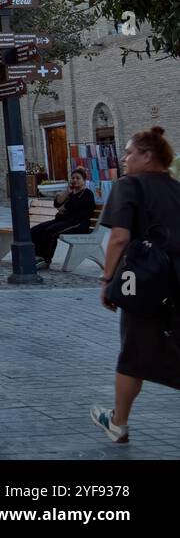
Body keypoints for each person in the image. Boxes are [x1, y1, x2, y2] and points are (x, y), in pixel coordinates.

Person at [91, 127, 180, 443]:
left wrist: (107, 280)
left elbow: (119, 237)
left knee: (134, 353)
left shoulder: (128, 186)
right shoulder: (176, 188)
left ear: (147, 155)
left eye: (129, 152)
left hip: (144, 284)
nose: (125, 158)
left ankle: (119, 422)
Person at [31, 167, 95, 268]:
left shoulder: (87, 193)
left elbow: (77, 207)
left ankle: (46, 259)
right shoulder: (71, 192)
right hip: (63, 220)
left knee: (51, 231)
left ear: (84, 181)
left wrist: (65, 207)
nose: (74, 180)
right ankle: (36, 256)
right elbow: (57, 204)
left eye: (78, 178)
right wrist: (67, 193)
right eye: (73, 178)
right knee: (36, 230)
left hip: (78, 223)